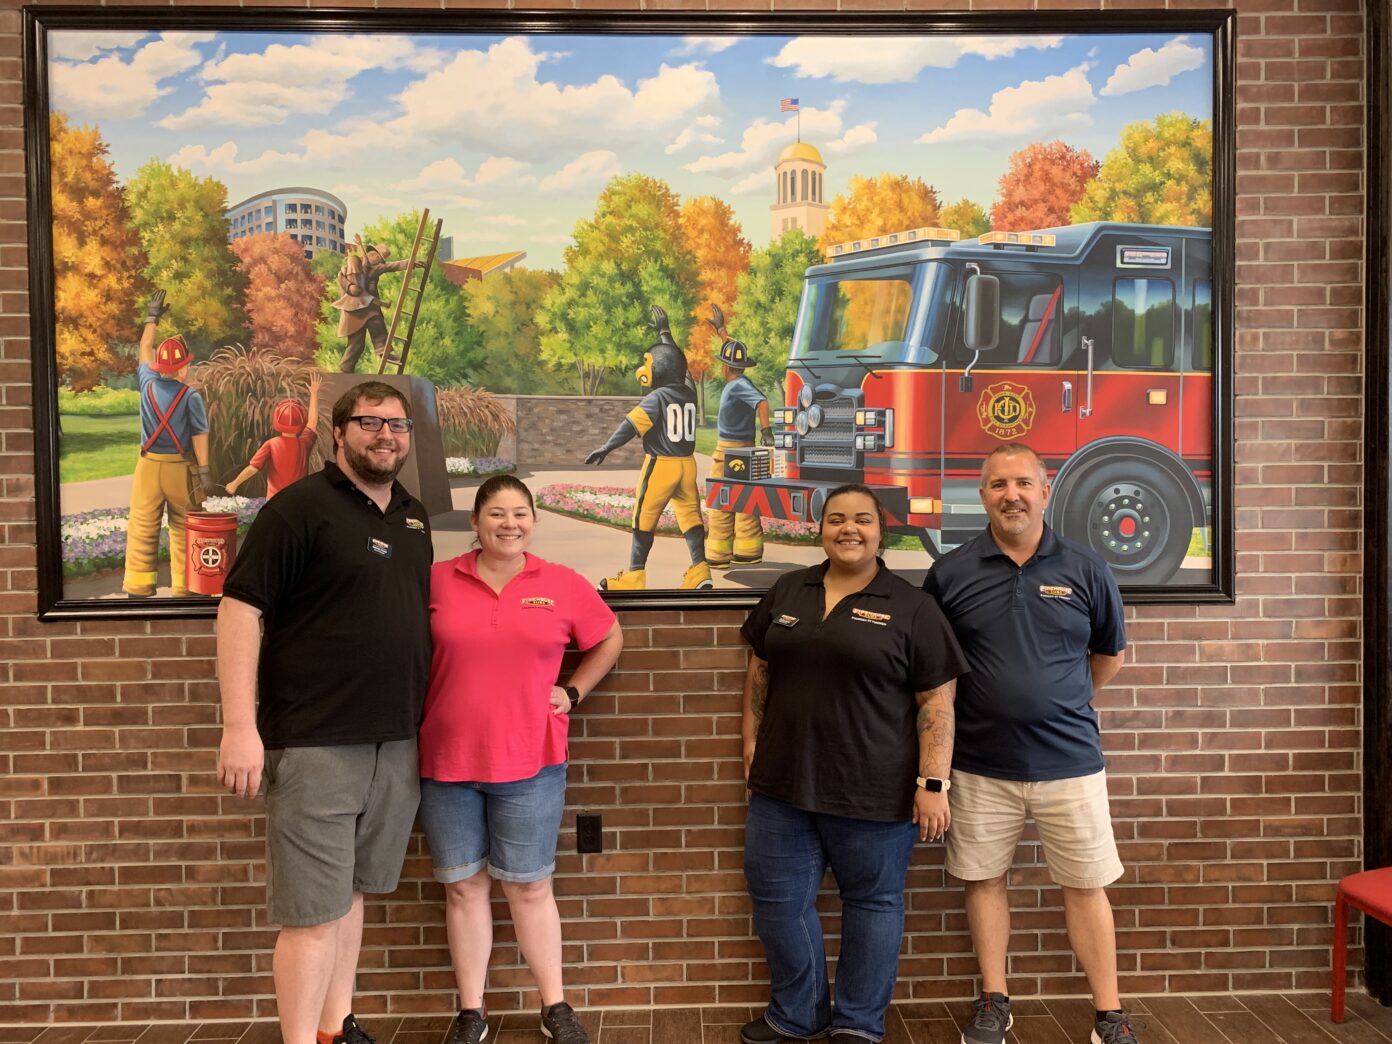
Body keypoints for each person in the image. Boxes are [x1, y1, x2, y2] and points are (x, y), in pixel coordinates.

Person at [215, 381, 433, 1044]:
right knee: (311, 913)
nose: (386, 436)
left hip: (394, 743)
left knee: (353, 894)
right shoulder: (297, 510)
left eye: (397, 425)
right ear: (337, 433)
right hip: (315, 741)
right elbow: (240, 610)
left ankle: (338, 1027)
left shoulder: (413, 517)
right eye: (371, 424)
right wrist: (238, 727)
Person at [921, 443, 1135, 1044]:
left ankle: (1109, 1015)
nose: (1010, 494)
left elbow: (1109, 655)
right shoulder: (951, 573)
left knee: (1086, 885)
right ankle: (995, 1001)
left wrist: (1056, 700)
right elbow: (935, 673)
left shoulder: (1087, 568)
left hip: (1070, 763)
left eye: (1022, 483)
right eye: (996, 485)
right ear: (982, 495)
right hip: (980, 766)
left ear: (1046, 490)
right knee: (984, 880)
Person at [739, 484, 967, 1044]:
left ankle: (859, 1024)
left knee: (871, 903)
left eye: (862, 520)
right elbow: (759, 671)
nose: (849, 529)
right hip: (782, 786)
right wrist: (750, 746)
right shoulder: (789, 590)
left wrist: (933, 783)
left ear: (880, 531)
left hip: (875, 788)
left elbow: (938, 700)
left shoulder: (913, 606)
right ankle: (799, 1013)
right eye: (836, 519)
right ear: (819, 530)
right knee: (778, 900)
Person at [417, 474, 623, 1044]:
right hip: (445, 762)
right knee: (463, 888)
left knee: (530, 887)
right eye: (497, 514)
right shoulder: (434, 580)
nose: (509, 524)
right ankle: (471, 1011)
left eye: (520, 514)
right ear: (476, 522)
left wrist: (573, 691)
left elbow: (609, 637)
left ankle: (554, 1006)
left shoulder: (560, 583)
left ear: (534, 520)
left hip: (531, 761)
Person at [585, 306, 712, 591]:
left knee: (643, 516)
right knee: (690, 515)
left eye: (647, 362)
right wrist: (665, 333)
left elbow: (630, 425)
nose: (644, 367)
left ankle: (634, 575)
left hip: (662, 464)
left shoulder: (658, 397)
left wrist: (606, 447)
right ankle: (700, 570)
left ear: (661, 369)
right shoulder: (688, 392)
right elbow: (683, 367)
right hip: (687, 464)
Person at [122, 288, 211, 597]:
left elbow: (145, 345)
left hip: (147, 466)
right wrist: (204, 470)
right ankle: (183, 587)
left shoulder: (146, 383)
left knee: (143, 524)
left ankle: (138, 584)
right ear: (183, 367)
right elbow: (200, 434)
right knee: (183, 527)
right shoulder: (191, 396)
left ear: (158, 366)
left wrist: (152, 316)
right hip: (178, 468)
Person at [704, 335, 772, 569]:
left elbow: (762, 403)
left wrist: (766, 429)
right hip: (743, 448)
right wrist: (722, 332)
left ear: (725, 367)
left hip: (729, 450)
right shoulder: (739, 384)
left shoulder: (738, 386)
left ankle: (717, 554)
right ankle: (748, 550)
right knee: (745, 498)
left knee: (722, 499)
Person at [226, 370, 322, 499]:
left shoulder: (272, 444)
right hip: (299, 500)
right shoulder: (304, 443)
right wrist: (314, 393)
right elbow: (312, 422)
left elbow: (253, 468)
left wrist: (234, 483)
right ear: (301, 421)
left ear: (276, 420)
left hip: (275, 501)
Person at [334, 236, 411, 373]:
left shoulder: (376, 269)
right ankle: (345, 369)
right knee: (357, 343)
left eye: (377, 257)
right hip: (354, 311)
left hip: (368, 308)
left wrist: (412, 263)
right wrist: (349, 286)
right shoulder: (351, 266)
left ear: (379, 261)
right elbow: (346, 279)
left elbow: (394, 265)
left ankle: (382, 351)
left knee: (377, 322)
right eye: (371, 254)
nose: (373, 257)